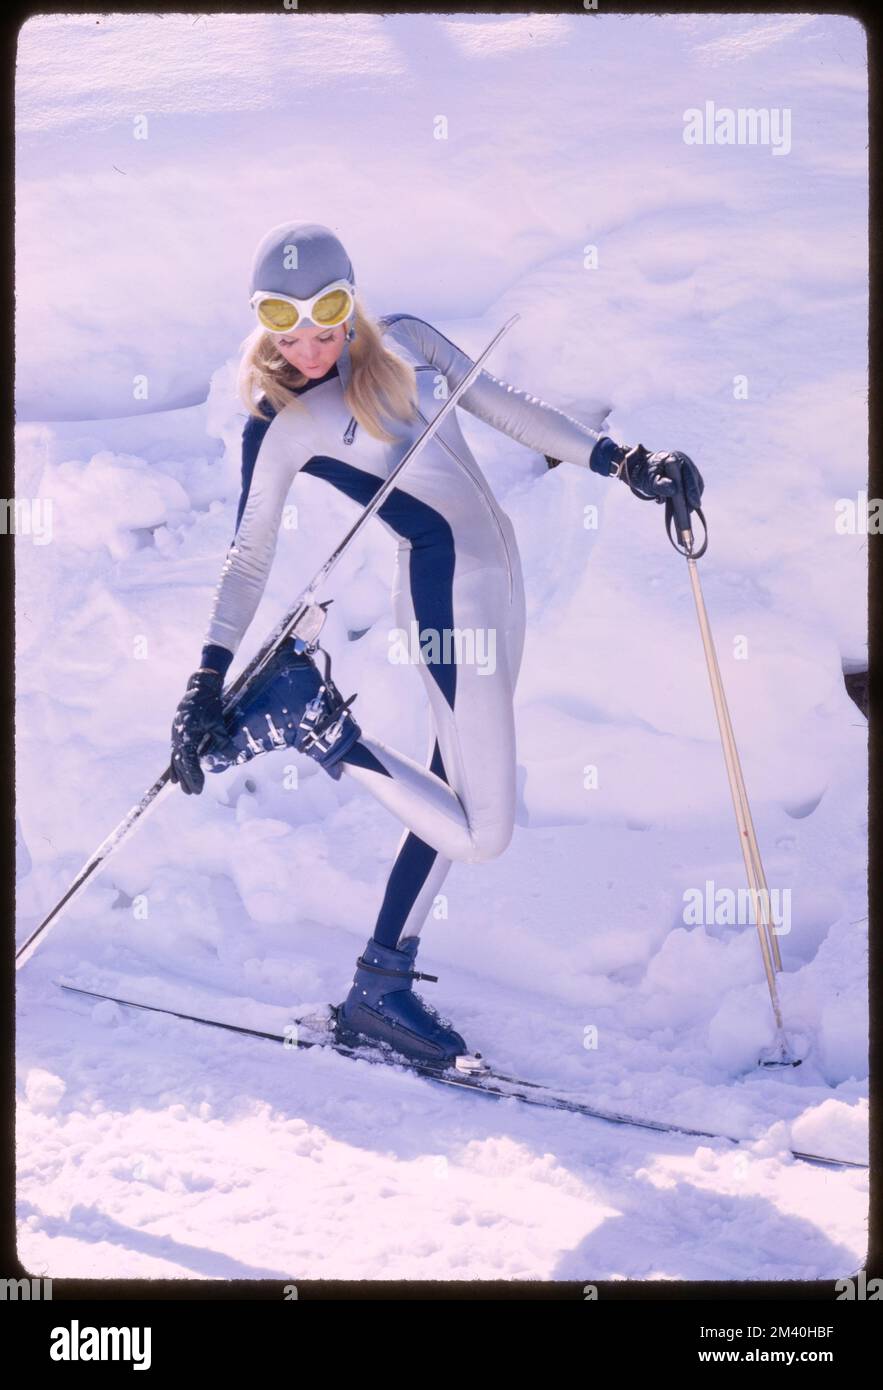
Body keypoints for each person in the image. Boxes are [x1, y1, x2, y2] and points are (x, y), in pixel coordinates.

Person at [170, 220, 703, 1069]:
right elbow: (248, 556)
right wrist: (207, 677)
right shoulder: (284, 424)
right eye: (287, 328)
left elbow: (503, 406)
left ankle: (381, 990)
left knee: (449, 790)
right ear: (263, 324)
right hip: (450, 600)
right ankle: (321, 730)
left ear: (352, 303)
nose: (309, 346)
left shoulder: (410, 344)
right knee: (483, 830)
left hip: (500, 584)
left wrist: (623, 462)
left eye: (327, 318)